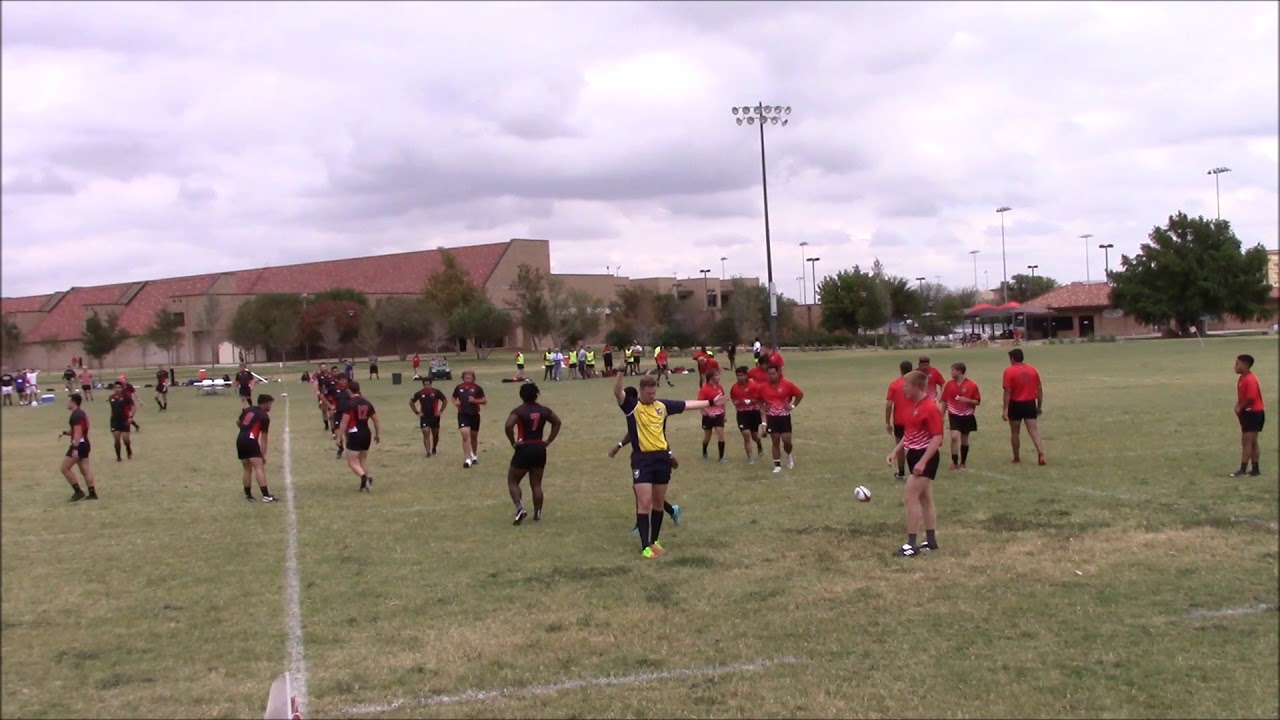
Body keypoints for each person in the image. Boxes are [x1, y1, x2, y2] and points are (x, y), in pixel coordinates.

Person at [613, 372, 722, 558]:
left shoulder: (662, 406)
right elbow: (617, 392)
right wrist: (621, 373)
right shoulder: (632, 407)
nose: (652, 396)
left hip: (662, 458)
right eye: (649, 393)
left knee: (658, 503)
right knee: (644, 503)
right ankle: (645, 547)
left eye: (654, 393)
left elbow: (687, 405)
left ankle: (654, 541)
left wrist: (711, 402)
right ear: (641, 391)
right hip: (642, 460)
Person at [885, 371, 944, 557]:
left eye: (906, 385)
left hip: (925, 456)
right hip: (914, 455)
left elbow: (937, 437)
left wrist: (923, 461)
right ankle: (931, 541)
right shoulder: (913, 406)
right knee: (925, 499)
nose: (903, 388)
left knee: (910, 497)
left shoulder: (930, 408)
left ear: (917, 386)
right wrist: (896, 452)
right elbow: (909, 434)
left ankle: (911, 544)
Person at [503, 382, 562, 524]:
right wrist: (548, 441)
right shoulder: (544, 410)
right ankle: (538, 513)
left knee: (513, 481)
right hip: (539, 448)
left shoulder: (518, 411)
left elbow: (508, 425)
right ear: (536, 395)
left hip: (524, 448)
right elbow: (557, 422)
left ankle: (520, 508)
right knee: (536, 484)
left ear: (521, 395)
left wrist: (513, 442)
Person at [1002, 348, 1046, 465]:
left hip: (1015, 404)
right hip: (1030, 403)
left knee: (1015, 432)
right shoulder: (1032, 370)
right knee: (1034, 431)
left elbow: (1007, 391)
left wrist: (1005, 409)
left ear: (1012, 359)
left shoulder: (1009, 371)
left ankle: (1016, 458)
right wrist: (1039, 405)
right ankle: (1041, 454)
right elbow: (1039, 389)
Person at [756, 365, 804, 473]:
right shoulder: (763, 387)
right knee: (775, 440)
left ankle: (788, 455)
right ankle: (777, 465)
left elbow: (800, 394)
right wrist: (763, 407)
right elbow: (756, 398)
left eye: (773, 373)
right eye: (769, 374)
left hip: (784, 417)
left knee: (787, 440)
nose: (771, 376)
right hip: (772, 417)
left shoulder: (787, 385)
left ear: (778, 373)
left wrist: (792, 406)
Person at [338, 381, 380, 492]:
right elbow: (376, 420)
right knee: (363, 459)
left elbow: (344, 421)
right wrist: (377, 434)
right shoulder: (367, 403)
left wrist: (339, 437)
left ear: (349, 391)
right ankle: (367, 480)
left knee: (352, 462)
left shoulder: (349, 404)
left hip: (354, 433)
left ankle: (363, 477)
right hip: (366, 433)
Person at [236, 393, 275, 502]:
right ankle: (266, 496)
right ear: (265, 403)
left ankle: (248, 495)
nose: (270, 406)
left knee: (247, 469)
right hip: (251, 440)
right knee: (259, 467)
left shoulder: (248, 410)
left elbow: (238, 422)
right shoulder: (264, 416)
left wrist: (244, 430)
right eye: (270, 404)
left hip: (240, 439)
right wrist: (263, 455)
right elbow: (264, 438)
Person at [942, 362, 981, 470]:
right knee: (954, 437)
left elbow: (977, 401)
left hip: (967, 416)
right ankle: (954, 462)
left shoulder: (972, 385)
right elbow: (945, 401)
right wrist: (941, 415)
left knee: (964, 439)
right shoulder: (949, 384)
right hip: (954, 415)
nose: (951, 372)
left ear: (959, 371)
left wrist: (967, 400)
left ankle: (963, 462)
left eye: (952, 370)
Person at [1232, 354, 1265, 477]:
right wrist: (1238, 405)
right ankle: (1255, 469)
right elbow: (1243, 396)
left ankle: (1243, 470)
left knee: (1246, 442)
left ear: (1245, 365)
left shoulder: (1250, 379)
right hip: (1249, 412)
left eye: (1237, 364)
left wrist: (1240, 407)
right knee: (1253, 442)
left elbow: (1251, 397)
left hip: (1253, 413)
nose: (1235, 366)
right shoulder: (1243, 378)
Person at [60, 393, 97, 501]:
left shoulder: (76, 415)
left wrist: (75, 448)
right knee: (85, 470)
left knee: (64, 469)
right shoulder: (81, 413)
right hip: (85, 444)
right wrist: (65, 433)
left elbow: (78, 433)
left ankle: (78, 492)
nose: (66, 403)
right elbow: (81, 429)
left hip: (79, 445)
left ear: (73, 402)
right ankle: (92, 493)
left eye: (68, 401)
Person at [885, 360, 915, 481]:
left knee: (900, 446)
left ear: (901, 370)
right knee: (915, 446)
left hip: (899, 420)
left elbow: (889, 404)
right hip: (914, 419)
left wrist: (887, 422)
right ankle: (914, 472)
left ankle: (901, 472)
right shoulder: (916, 385)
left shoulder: (894, 384)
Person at [453, 370, 487, 468]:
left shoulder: (477, 388)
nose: (468, 379)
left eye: (470, 378)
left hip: (474, 415)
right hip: (463, 414)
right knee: (465, 436)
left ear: (473, 378)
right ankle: (467, 458)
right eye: (466, 378)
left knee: (473, 437)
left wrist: (475, 400)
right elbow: (454, 397)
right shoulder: (459, 388)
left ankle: (474, 455)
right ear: (463, 378)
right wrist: (456, 403)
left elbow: (484, 400)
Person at [730, 366, 765, 463]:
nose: (739, 377)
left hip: (753, 412)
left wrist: (750, 401)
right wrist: (736, 402)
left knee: (754, 436)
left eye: (741, 375)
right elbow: (733, 398)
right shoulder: (734, 387)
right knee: (746, 434)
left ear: (746, 376)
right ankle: (750, 456)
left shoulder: (753, 385)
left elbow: (759, 398)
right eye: (738, 376)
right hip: (742, 413)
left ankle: (759, 444)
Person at [410, 376, 446, 457]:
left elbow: (445, 400)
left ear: (431, 384)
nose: (427, 386)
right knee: (426, 433)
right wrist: (417, 412)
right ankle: (428, 452)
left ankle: (434, 447)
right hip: (425, 417)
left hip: (434, 416)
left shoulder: (436, 392)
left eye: (428, 384)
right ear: (423, 385)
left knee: (435, 434)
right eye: (425, 384)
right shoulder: (420, 393)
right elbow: (411, 402)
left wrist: (440, 411)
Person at [698, 367, 728, 462]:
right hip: (708, 416)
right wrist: (708, 412)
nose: (719, 377)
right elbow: (700, 403)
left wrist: (724, 414)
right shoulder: (704, 389)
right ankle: (704, 451)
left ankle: (721, 457)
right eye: (716, 375)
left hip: (719, 414)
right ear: (711, 377)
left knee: (720, 435)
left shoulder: (720, 387)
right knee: (707, 437)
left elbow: (722, 401)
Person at [107, 381, 134, 462]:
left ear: (122, 388)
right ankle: (118, 457)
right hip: (115, 421)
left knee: (126, 440)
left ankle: (128, 449)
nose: (117, 389)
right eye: (116, 387)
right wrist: (111, 418)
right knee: (117, 439)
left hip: (124, 420)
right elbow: (112, 409)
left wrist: (130, 417)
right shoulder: (111, 397)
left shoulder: (126, 397)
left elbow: (133, 407)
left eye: (119, 387)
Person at [331, 374, 352, 457]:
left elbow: (356, 398)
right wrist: (331, 406)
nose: (344, 381)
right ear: (338, 380)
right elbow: (328, 397)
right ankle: (340, 448)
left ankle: (349, 449)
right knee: (337, 433)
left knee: (348, 433)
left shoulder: (349, 389)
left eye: (345, 380)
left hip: (347, 413)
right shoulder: (334, 389)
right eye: (342, 380)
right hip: (338, 413)